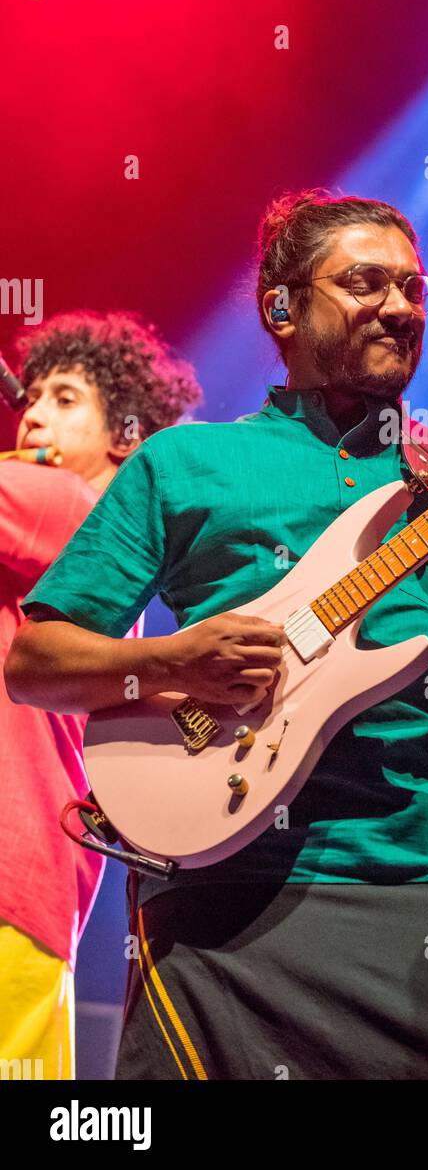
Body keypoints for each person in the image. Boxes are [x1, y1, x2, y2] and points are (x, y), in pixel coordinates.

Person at [5, 191, 428, 1080]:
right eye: (366, 283)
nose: (400, 307)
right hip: (226, 889)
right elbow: (37, 663)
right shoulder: (185, 462)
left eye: (413, 288)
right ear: (281, 308)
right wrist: (171, 660)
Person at [0, 311, 200, 1079]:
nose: (34, 413)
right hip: (35, 890)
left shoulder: (63, 503)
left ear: (125, 433)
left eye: (65, 397)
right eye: (32, 395)